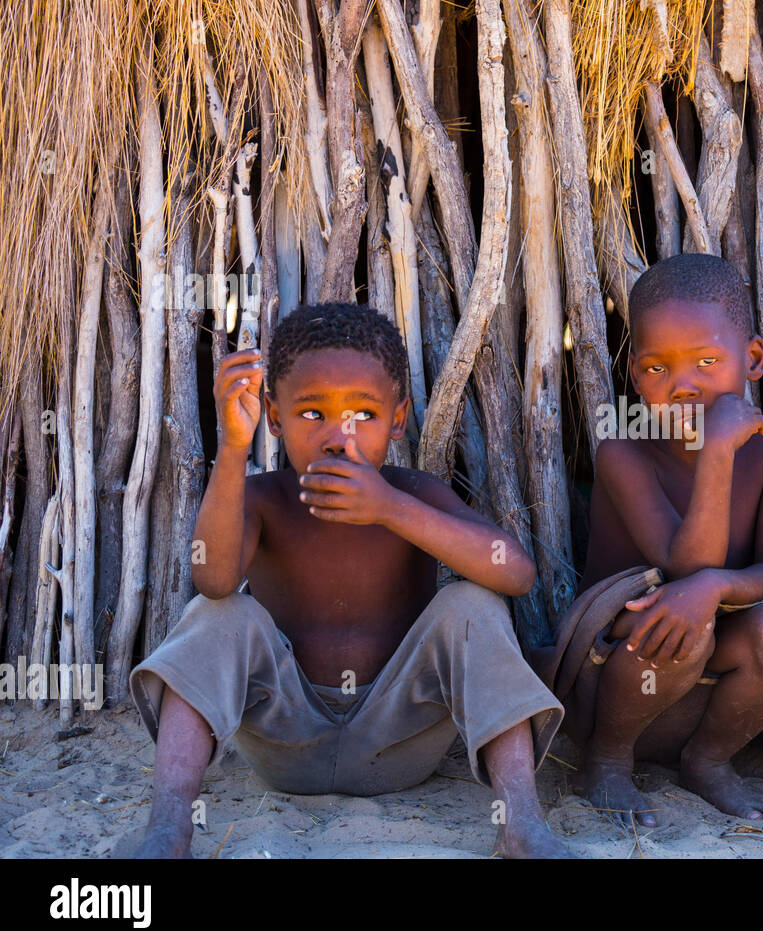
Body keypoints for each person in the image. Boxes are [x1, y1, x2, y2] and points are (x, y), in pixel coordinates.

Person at [130, 302, 570, 858]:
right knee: (219, 614)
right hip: (287, 741)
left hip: (398, 743)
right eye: (312, 414)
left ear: (399, 417)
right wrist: (233, 450)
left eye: (363, 414)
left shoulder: (413, 493)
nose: (339, 438)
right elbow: (213, 578)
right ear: (273, 416)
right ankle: (168, 829)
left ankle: (522, 826)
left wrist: (392, 509)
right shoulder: (264, 501)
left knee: (472, 603)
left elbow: (518, 574)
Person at [545, 253, 763, 829]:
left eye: (706, 361)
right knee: (684, 618)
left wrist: (716, 587)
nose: (681, 385)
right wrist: (718, 451)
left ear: (753, 360)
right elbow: (685, 563)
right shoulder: (622, 454)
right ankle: (607, 762)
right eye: (656, 369)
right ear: (635, 376)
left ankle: (710, 761)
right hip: (613, 673)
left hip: (703, 675)